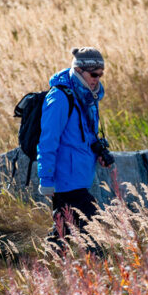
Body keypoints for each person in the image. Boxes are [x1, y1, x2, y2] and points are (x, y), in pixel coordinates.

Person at [37, 47, 114, 248]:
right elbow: (47, 141)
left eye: (100, 74)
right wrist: (46, 179)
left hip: (80, 177)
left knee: (63, 232)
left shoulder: (88, 98)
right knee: (94, 229)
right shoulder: (60, 98)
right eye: (93, 74)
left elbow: (85, 135)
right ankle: (99, 271)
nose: (97, 78)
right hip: (65, 180)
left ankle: (49, 268)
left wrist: (99, 152)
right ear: (78, 70)